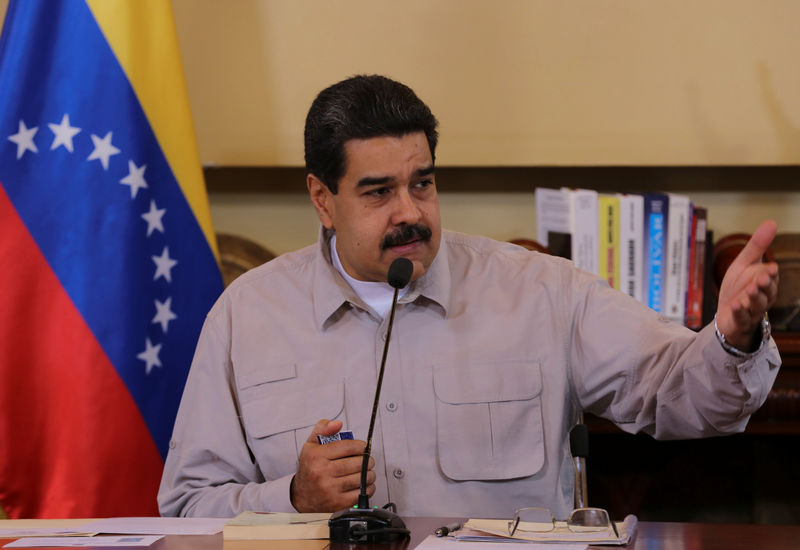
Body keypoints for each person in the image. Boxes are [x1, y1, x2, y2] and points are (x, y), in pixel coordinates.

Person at [158, 75, 781, 519]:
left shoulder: (540, 291)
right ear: (323, 199)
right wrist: (291, 498)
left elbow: (682, 398)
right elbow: (188, 508)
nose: (410, 212)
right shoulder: (247, 315)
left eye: (422, 182)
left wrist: (733, 336)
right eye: (378, 192)